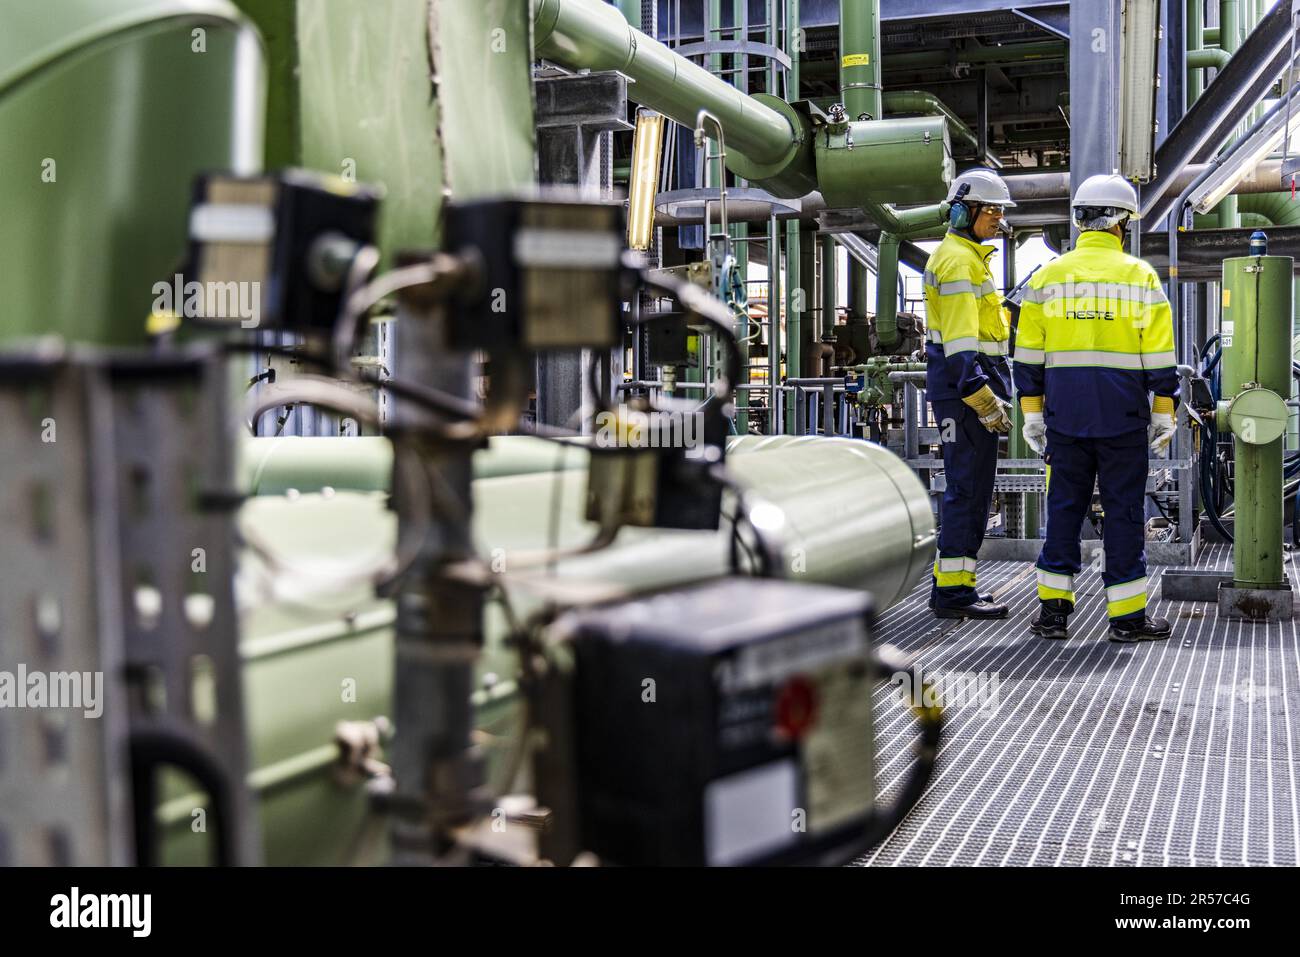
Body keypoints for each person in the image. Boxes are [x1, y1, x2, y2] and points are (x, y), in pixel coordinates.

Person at [1013, 173, 1179, 643]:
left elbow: (1027, 357)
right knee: (1124, 512)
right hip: (1123, 420)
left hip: (1064, 421)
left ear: (1081, 220)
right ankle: (1126, 620)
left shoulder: (1045, 278)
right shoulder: (1140, 277)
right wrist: (1164, 407)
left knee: (1063, 510)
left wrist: (1032, 412)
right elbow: (1160, 357)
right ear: (1121, 223)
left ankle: (1052, 615)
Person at [924, 169, 1016, 619]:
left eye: (1001, 211)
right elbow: (961, 345)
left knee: (972, 490)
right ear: (965, 211)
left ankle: (955, 586)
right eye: (992, 210)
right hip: (963, 395)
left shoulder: (967, 258)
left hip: (962, 391)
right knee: (967, 491)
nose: (998, 219)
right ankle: (953, 595)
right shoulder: (959, 261)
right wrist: (981, 397)